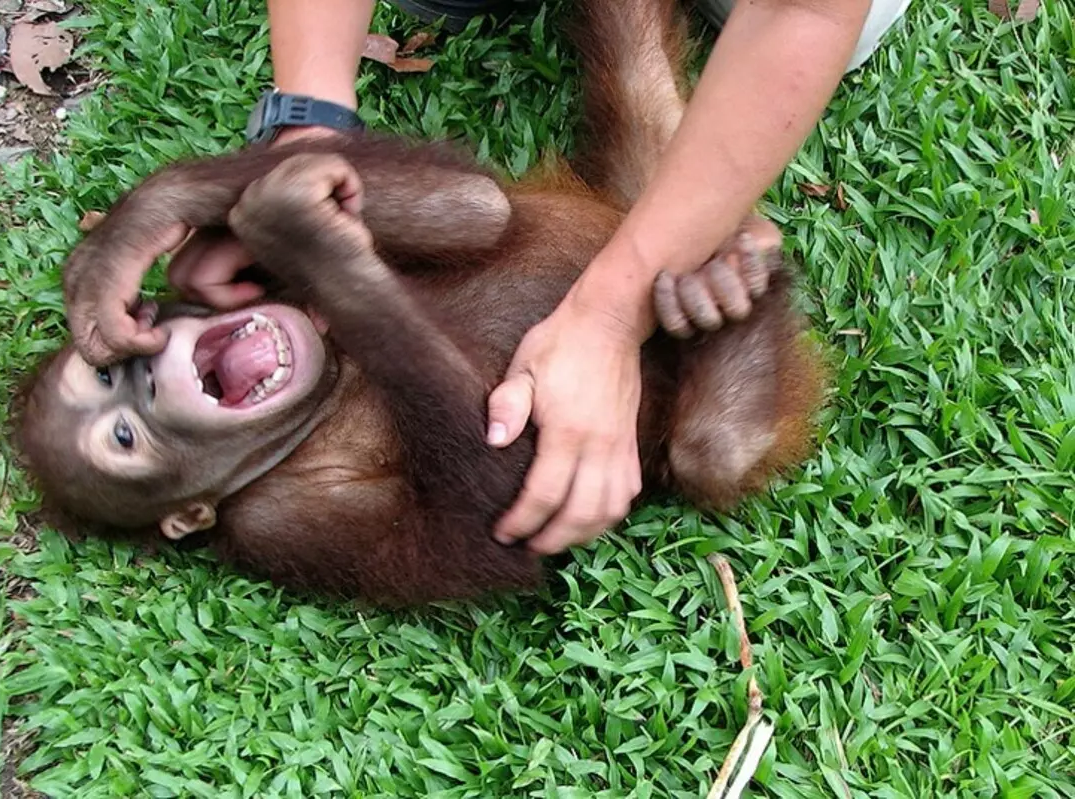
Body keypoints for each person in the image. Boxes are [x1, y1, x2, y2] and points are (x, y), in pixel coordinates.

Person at [89, 0, 910, 557]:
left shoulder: (290, 301)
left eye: (115, 369)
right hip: (679, 361)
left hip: (643, 233)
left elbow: (472, 212)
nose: (149, 380)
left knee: (650, 72)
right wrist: (304, 150)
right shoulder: (282, 505)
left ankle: (704, 252)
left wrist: (187, 192)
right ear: (190, 507)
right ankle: (729, 273)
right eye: (128, 427)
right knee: (718, 451)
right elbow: (485, 481)